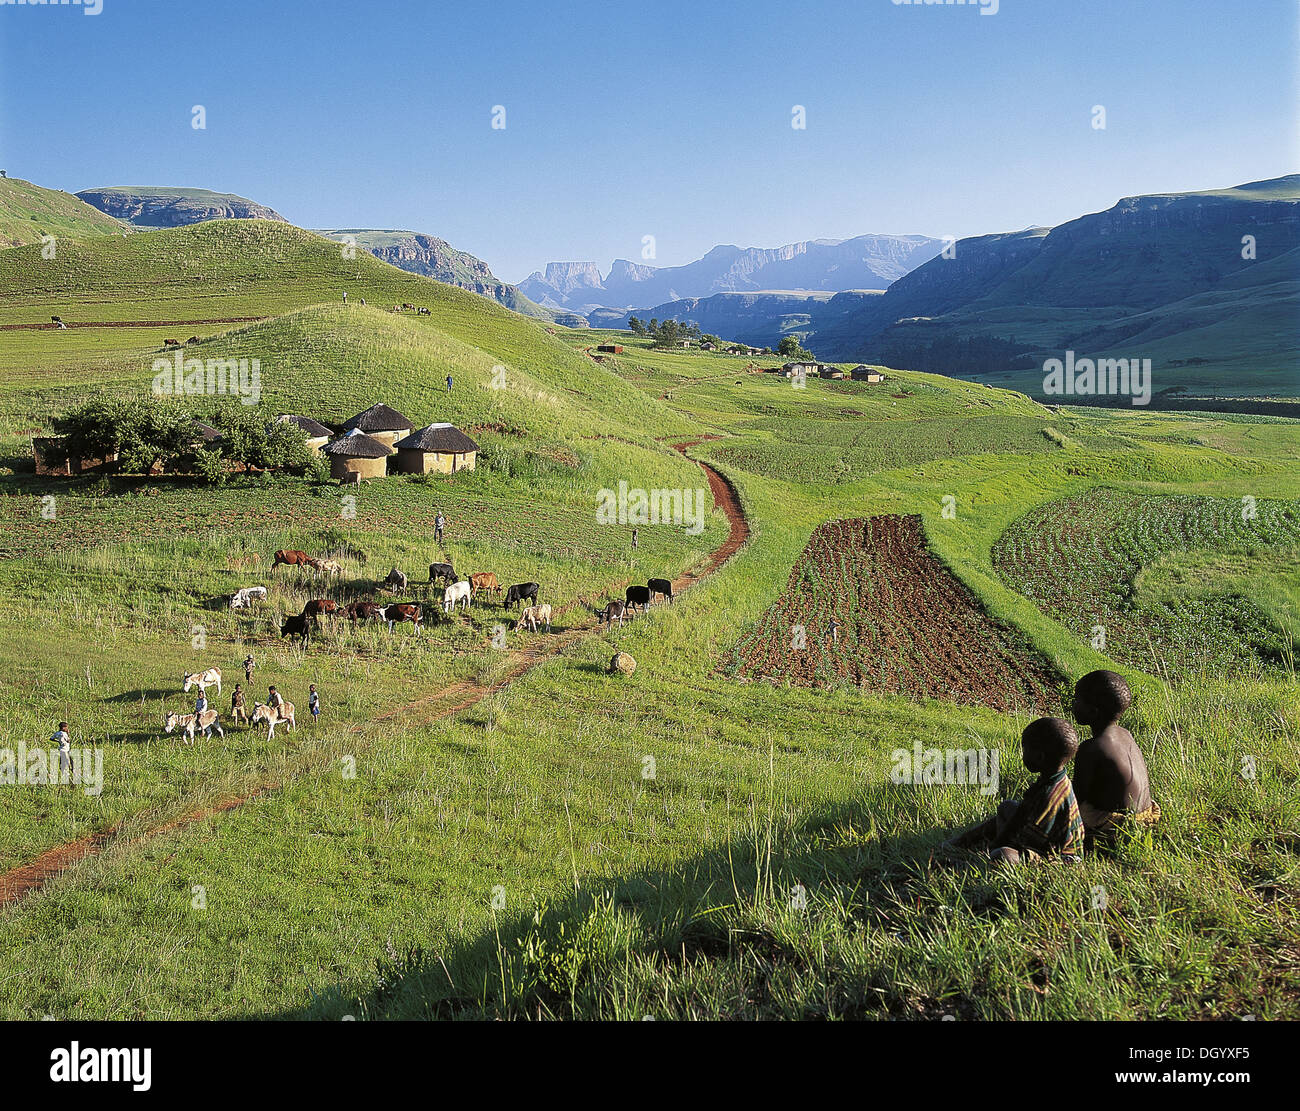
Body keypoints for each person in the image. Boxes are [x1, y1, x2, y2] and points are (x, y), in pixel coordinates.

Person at [944, 718, 1085, 865]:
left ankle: (968, 864)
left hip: (1059, 855)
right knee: (1007, 807)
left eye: (1025, 750)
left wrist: (999, 845)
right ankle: (962, 842)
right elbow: (1021, 815)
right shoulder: (1052, 778)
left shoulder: (1050, 796)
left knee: (1003, 854)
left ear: (1039, 757)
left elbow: (1030, 841)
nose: (1023, 754)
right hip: (1044, 838)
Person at [1071, 670, 1160, 846]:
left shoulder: (1091, 748)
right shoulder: (1125, 734)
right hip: (1148, 816)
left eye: (1077, 700)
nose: (1073, 704)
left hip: (1117, 826)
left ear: (1093, 711)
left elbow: (1076, 798)